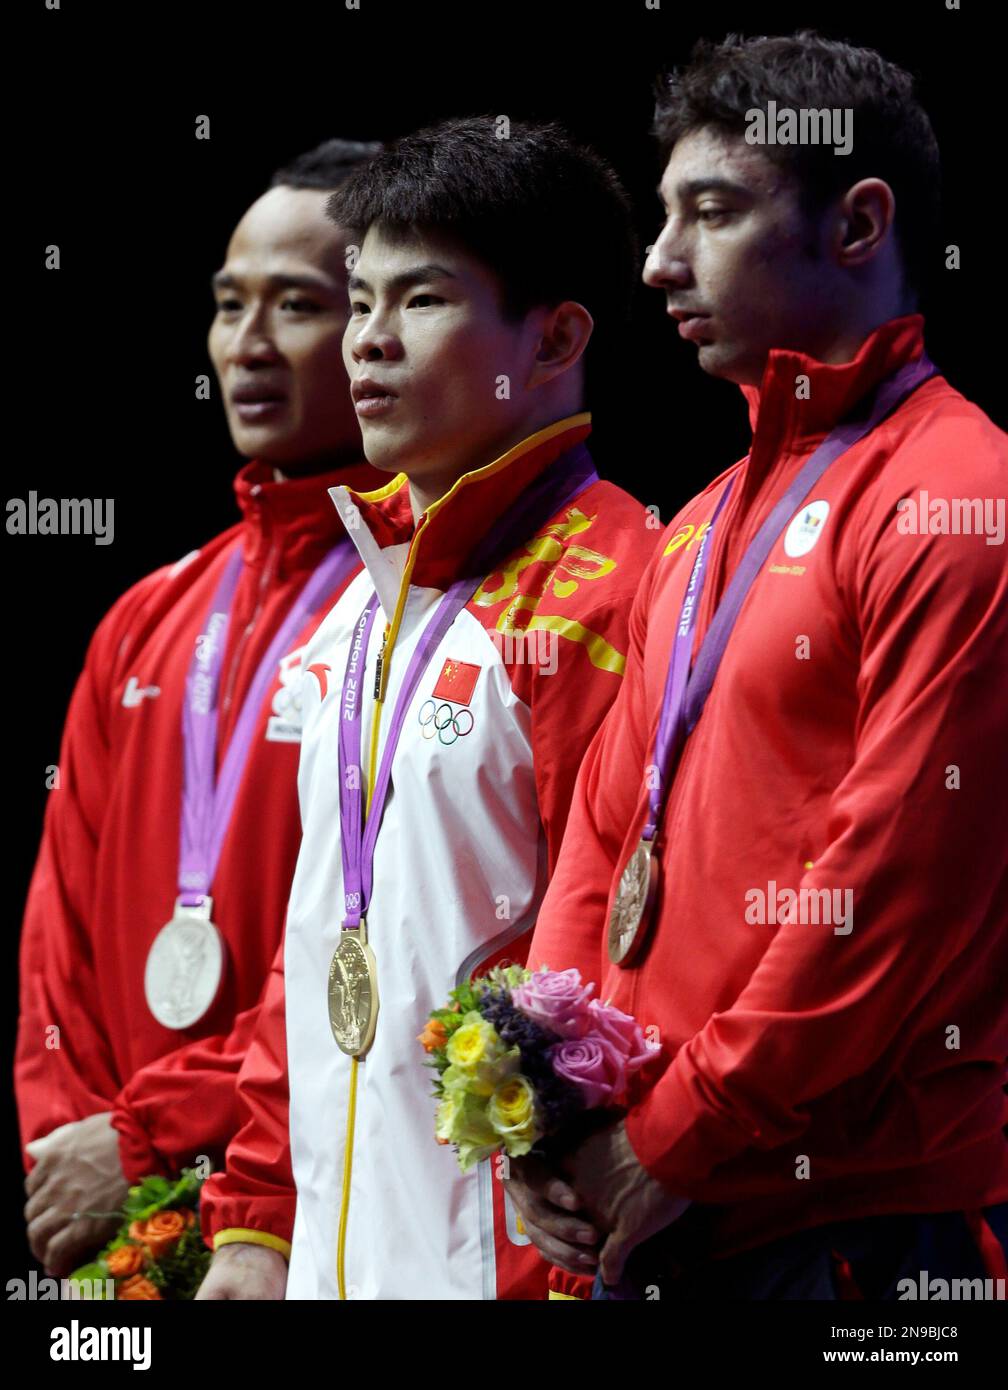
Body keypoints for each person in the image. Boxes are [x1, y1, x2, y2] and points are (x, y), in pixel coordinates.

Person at [507, 32, 1008, 1300]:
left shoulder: (963, 495)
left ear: (858, 224)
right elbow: (600, 845)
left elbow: (895, 889)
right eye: (663, 215)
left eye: (713, 212)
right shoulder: (700, 522)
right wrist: (548, 1110)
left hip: (845, 1221)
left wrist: (675, 1134)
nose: (658, 260)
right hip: (659, 1202)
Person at [196, 115, 659, 1300]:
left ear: (554, 336)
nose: (368, 344)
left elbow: (638, 965)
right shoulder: (359, 607)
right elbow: (319, 944)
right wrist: (255, 1222)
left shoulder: (620, 591)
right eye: (358, 301)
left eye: (424, 301)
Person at [17, 138, 384, 1276]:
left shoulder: (418, 617)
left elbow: (387, 952)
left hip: (321, 1198)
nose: (247, 346)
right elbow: (54, 950)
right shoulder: (148, 613)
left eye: (298, 306)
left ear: (379, 327)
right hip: (115, 1208)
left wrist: (148, 1139)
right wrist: (73, 1152)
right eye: (230, 306)